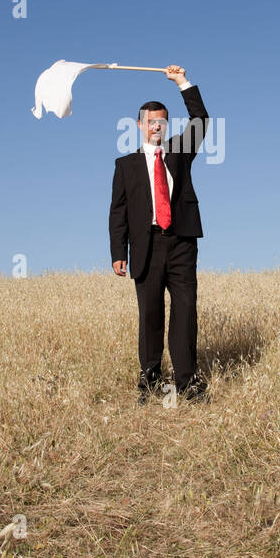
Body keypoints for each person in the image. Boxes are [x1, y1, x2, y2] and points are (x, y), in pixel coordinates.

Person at [108, 65, 210, 405]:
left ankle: (187, 383)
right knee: (150, 314)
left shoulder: (181, 151)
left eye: (161, 122)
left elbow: (201, 120)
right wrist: (117, 251)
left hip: (181, 243)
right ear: (139, 125)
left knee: (185, 311)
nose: (156, 127)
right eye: (150, 122)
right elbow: (118, 211)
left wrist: (182, 83)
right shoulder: (126, 166)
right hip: (145, 246)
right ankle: (149, 381)